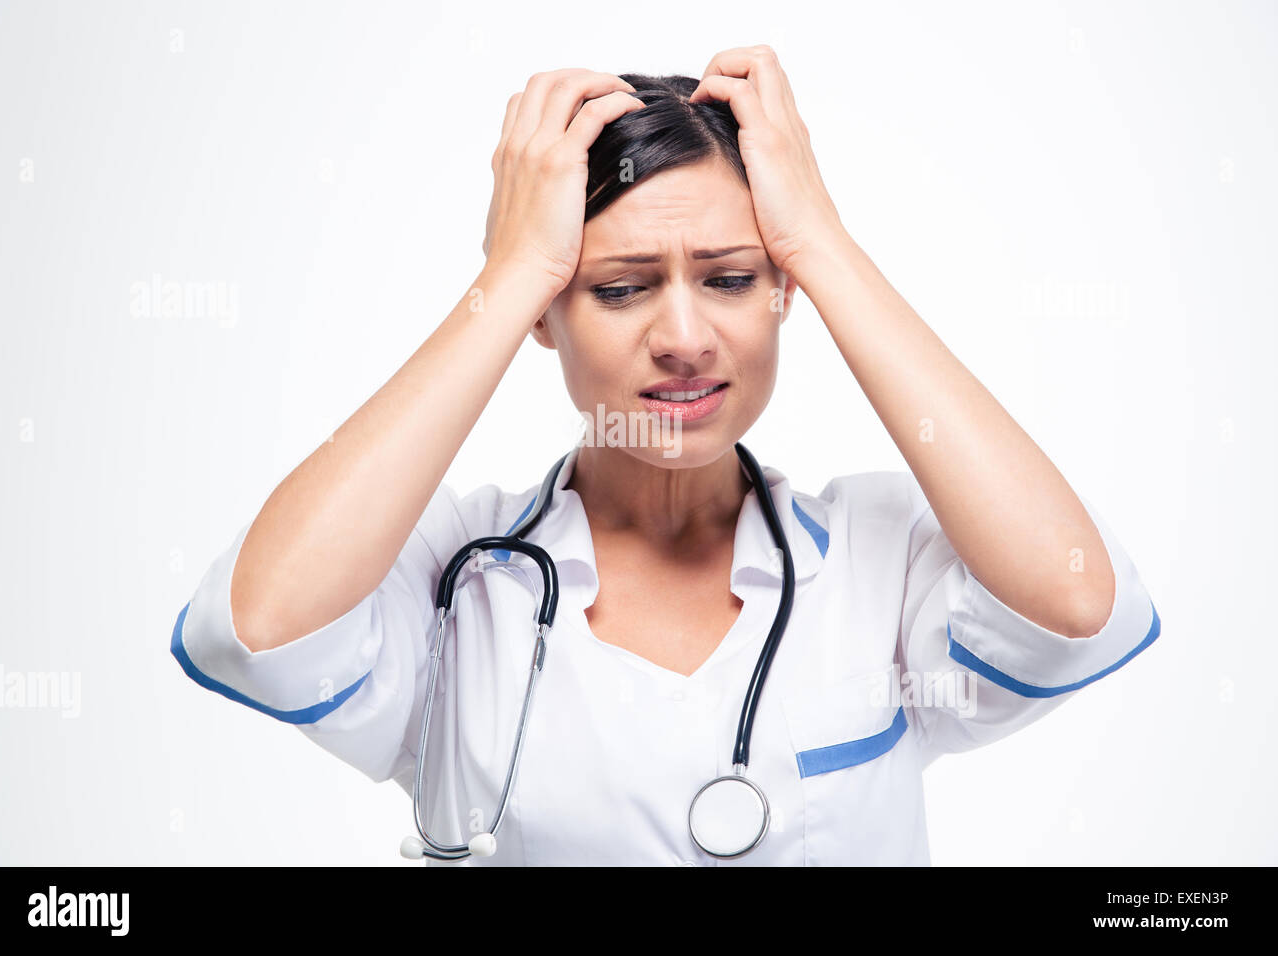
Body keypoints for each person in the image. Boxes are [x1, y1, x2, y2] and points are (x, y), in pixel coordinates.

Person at [170, 46, 1161, 866]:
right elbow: (261, 627)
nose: (684, 334)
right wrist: (510, 268)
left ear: (781, 294)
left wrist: (818, 240)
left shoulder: (877, 556)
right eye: (617, 288)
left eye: (732, 278)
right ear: (543, 314)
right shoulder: (458, 576)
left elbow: (1075, 604)